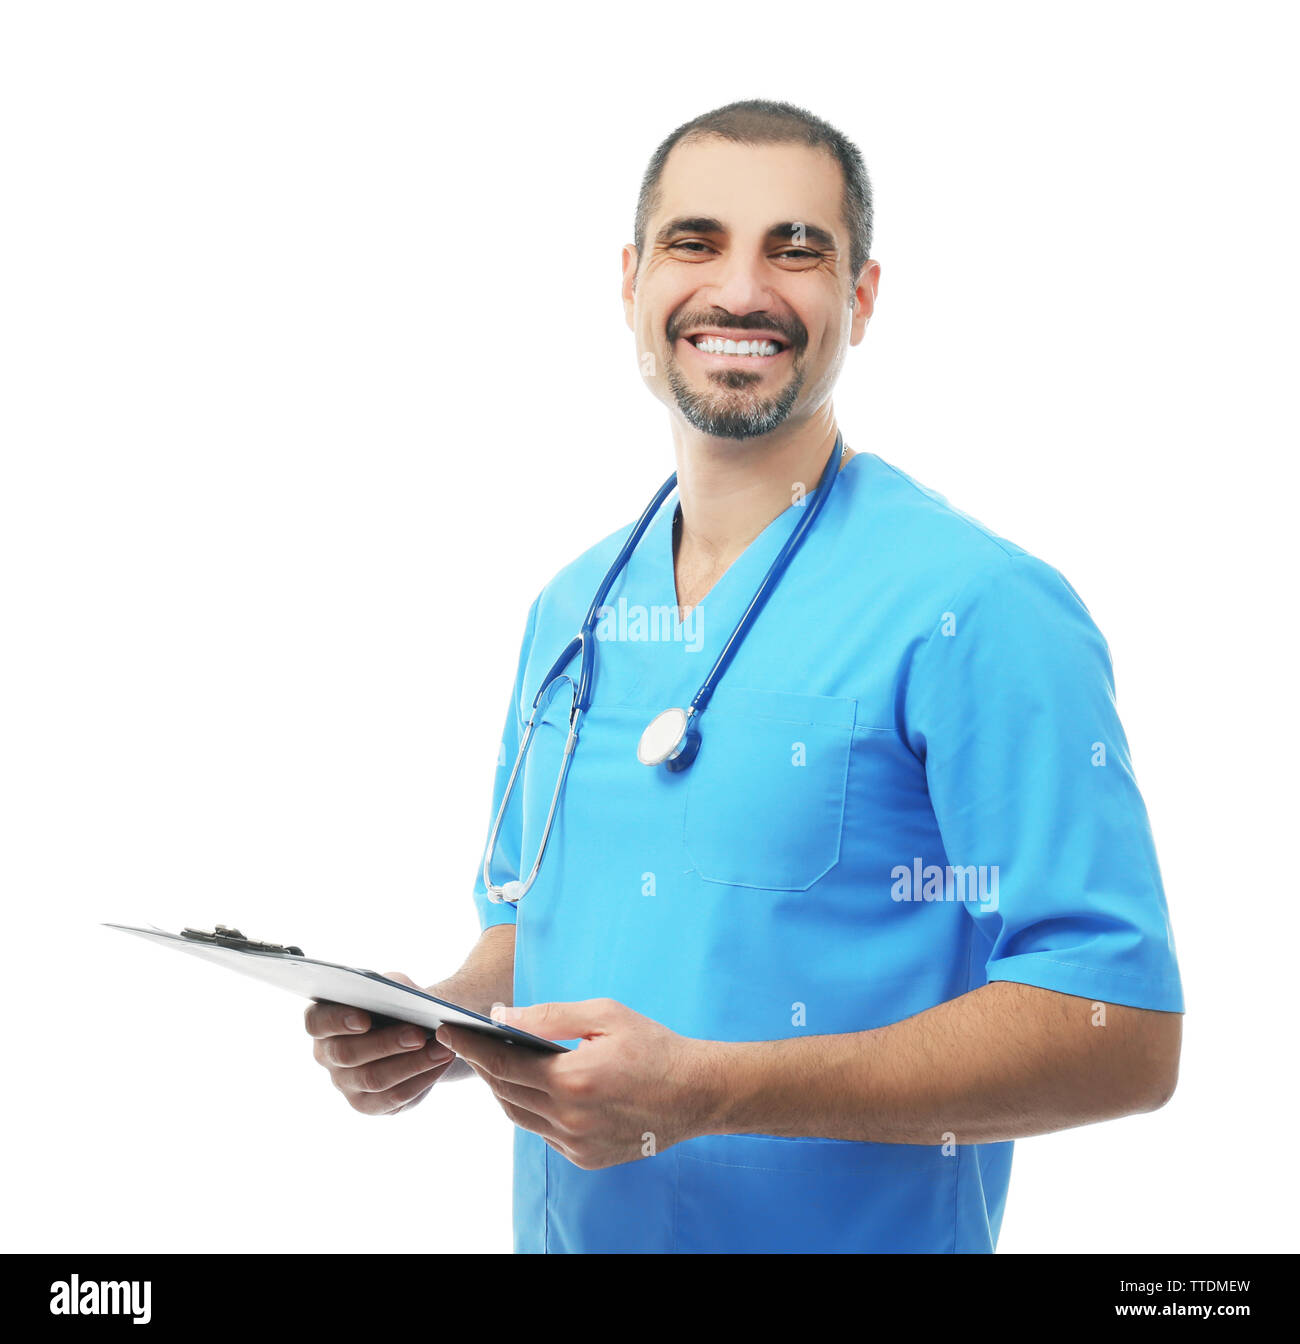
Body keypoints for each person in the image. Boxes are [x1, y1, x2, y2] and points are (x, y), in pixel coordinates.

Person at [305, 99, 1183, 1254]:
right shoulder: (573, 609)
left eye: (795, 250)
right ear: (631, 281)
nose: (738, 290)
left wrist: (712, 1092)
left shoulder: (979, 608)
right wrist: (442, 1021)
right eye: (695, 242)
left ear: (860, 298)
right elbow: (537, 927)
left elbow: (1119, 1030)